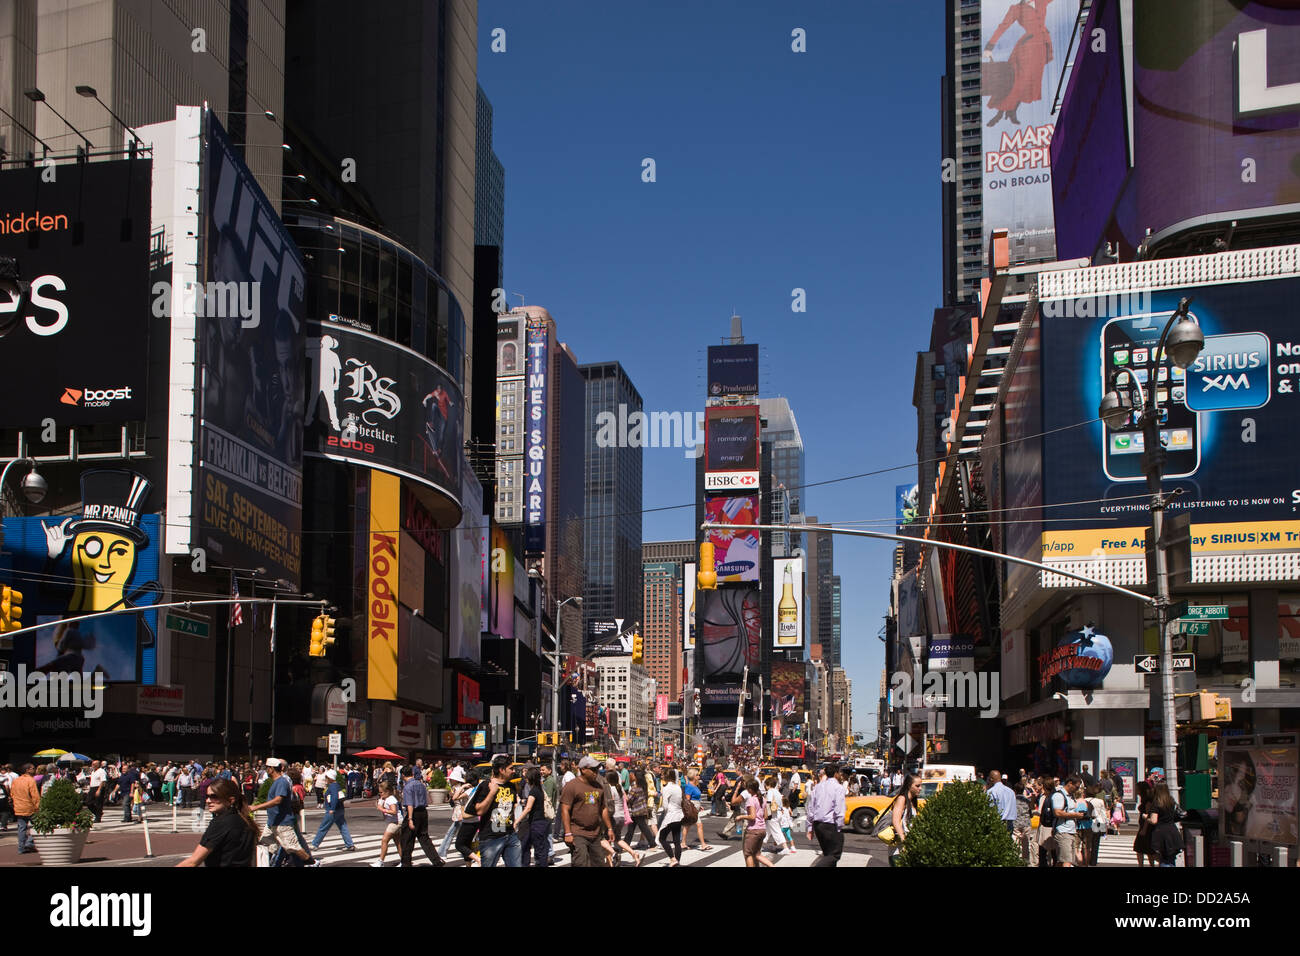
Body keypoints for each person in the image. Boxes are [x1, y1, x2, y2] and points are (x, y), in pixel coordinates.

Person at [175, 778, 258, 867]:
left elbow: (193, 862)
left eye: (214, 796)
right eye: (207, 796)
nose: (208, 801)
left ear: (231, 800)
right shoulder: (245, 820)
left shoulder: (220, 823)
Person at [248, 758, 315, 866]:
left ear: (271, 769)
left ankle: (312, 863)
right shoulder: (276, 782)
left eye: (267, 768)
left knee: (293, 847)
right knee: (265, 844)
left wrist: (256, 807)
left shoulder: (282, 782)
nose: (266, 770)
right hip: (273, 821)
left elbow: (278, 800)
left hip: (283, 822)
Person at [561, 756, 615, 867]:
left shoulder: (598, 787)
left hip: (595, 834)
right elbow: (565, 809)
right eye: (593, 769)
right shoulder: (572, 786)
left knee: (598, 863)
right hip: (578, 832)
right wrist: (567, 833)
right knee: (581, 862)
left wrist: (609, 828)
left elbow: (603, 808)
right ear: (583, 769)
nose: (596, 772)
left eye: (597, 769)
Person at [474, 755, 522, 868]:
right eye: (511, 768)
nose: (513, 771)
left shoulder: (511, 786)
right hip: (491, 837)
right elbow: (479, 810)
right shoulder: (486, 785)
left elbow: (513, 806)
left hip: (511, 835)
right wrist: (492, 792)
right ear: (501, 770)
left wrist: (514, 823)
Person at [399, 764, 445, 867]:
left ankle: (406, 863)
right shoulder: (421, 784)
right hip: (423, 812)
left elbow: (410, 804)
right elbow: (427, 799)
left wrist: (410, 818)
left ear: (402, 775)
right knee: (424, 837)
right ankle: (436, 860)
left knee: (406, 839)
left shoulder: (407, 787)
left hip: (413, 813)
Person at [805, 763, 846, 867]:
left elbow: (811, 808)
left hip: (818, 824)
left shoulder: (818, 787)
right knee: (834, 855)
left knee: (828, 854)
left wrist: (810, 827)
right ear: (836, 774)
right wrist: (840, 826)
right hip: (830, 824)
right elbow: (839, 809)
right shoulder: (838, 788)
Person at [310, 769, 356, 853]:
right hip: (340, 809)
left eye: (326, 777)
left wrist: (332, 809)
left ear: (330, 778)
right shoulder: (337, 785)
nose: (325, 779)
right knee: (343, 827)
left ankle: (315, 844)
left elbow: (334, 797)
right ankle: (349, 844)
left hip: (333, 810)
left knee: (323, 827)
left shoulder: (332, 786)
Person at [605, 771, 643, 866]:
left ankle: (610, 863)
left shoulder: (611, 789)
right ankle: (634, 853)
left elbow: (610, 803)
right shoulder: (620, 787)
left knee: (607, 840)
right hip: (621, 816)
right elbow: (626, 799)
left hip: (613, 817)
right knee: (618, 839)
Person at [1049, 775, 1087, 868]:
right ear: (1070, 784)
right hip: (1063, 831)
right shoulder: (1059, 795)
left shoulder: (1071, 796)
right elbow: (1057, 812)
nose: (1077, 789)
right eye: (1076, 787)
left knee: (1063, 860)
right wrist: (1075, 815)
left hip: (1071, 830)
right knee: (1067, 860)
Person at [518, 766, 552, 867]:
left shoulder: (533, 791)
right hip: (539, 822)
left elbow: (528, 808)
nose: (526, 779)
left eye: (527, 777)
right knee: (538, 847)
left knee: (537, 848)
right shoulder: (539, 789)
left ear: (530, 778)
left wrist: (517, 821)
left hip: (536, 823)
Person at [740, 775, 777, 867]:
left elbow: (752, 816)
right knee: (757, 854)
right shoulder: (763, 799)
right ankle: (772, 866)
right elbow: (766, 815)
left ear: (750, 789)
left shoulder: (751, 800)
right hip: (762, 829)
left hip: (753, 830)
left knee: (748, 854)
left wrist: (741, 816)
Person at [1147, 783, 1185, 867]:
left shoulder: (1157, 802)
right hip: (1173, 831)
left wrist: (1145, 817)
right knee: (1171, 859)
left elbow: (1153, 820)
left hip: (1161, 833)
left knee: (1164, 859)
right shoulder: (1171, 801)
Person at [889, 773, 922, 866]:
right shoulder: (902, 799)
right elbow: (895, 821)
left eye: (921, 785)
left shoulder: (912, 801)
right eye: (917, 786)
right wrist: (904, 840)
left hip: (908, 846)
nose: (920, 788)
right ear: (909, 785)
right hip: (899, 849)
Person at [370, 780, 402, 867]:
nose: (380, 794)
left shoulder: (391, 799)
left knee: (384, 840)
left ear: (387, 791)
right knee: (397, 842)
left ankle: (381, 861)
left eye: (381, 792)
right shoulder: (387, 798)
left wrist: (382, 809)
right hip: (395, 822)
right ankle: (404, 861)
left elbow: (394, 811)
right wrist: (380, 803)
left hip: (395, 822)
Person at [657, 767, 685, 866]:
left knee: (662, 838)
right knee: (677, 841)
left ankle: (672, 858)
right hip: (679, 815)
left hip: (671, 816)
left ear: (666, 777)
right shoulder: (678, 787)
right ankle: (677, 860)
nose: (662, 776)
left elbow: (664, 806)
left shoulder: (666, 788)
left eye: (663, 775)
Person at [11, 763, 40, 854]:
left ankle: (21, 848)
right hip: (29, 807)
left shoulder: (16, 780)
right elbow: (35, 796)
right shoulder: (31, 780)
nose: (34, 770)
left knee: (21, 828)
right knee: (38, 825)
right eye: (33, 768)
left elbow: (12, 794)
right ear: (27, 770)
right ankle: (29, 842)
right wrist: (38, 807)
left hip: (19, 807)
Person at [627, 769, 657, 849]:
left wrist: (623, 795)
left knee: (642, 828)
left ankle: (652, 843)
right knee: (633, 828)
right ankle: (626, 843)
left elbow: (628, 799)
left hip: (635, 811)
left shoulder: (634, 788)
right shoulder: (643, 786)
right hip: (642, 809)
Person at [1013, 777, 1036, 866]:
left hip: (1016, 823)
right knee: (1026, 843)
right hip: (1026, 823)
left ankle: (1016, 860)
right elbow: (1032, 808)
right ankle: (1026, 861)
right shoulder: (1026, 800)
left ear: (1014, 790)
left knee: (1016, 843)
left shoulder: (1013, 800)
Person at [986, 770, 1017, 835]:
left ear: (991, 779)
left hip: (997, 823)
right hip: (1009, 823)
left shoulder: (991, 791)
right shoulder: (1011, 791)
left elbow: (990, 809)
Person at [1133, 780, 1155, 867]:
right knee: (1143, 848)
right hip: (1144, 827)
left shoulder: (1147, 801)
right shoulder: (1145, 799)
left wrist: (1144, 829)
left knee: (1142, 848)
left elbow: (1148, 815)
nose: (1136, 790)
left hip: (1146, 828)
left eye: (1137, 789)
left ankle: (1145, 865)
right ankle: (1146, 864)